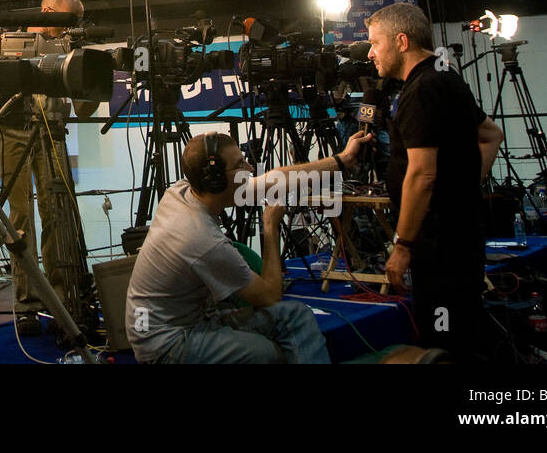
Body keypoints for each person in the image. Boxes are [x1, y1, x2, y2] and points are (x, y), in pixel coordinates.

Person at [125, 130, 372, 363]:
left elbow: (275, 179)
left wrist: (342, 159)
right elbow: (269, 295)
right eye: (240, 165)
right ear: (215, 180)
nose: (250, 169)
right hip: (163, 342)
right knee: (264, 353)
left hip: (183, 319)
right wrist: (270, 226)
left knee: (295, 315)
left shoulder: (181, 191)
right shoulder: (201, 239)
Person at [367, 1, 506, 362]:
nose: (370, 53)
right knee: (462, 332)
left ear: (401, 41)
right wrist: (460, 186)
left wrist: (403, 244)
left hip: (437, 247)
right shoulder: (447, 79)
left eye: (375, 43)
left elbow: (423, 173)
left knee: (441, 342)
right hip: (461, 237)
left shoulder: (421, 91)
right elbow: (491, 134)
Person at [0, 0, 98, 336]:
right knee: (20, 216)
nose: (71, 29)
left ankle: (61, 299)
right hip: (13, 132)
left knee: (56, 212)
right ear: (48, 12)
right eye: (67, 22)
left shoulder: (70, 48)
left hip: (52, 134)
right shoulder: (10, 45)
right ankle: (26, 304)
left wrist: (92, 76)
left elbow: (84, 108)